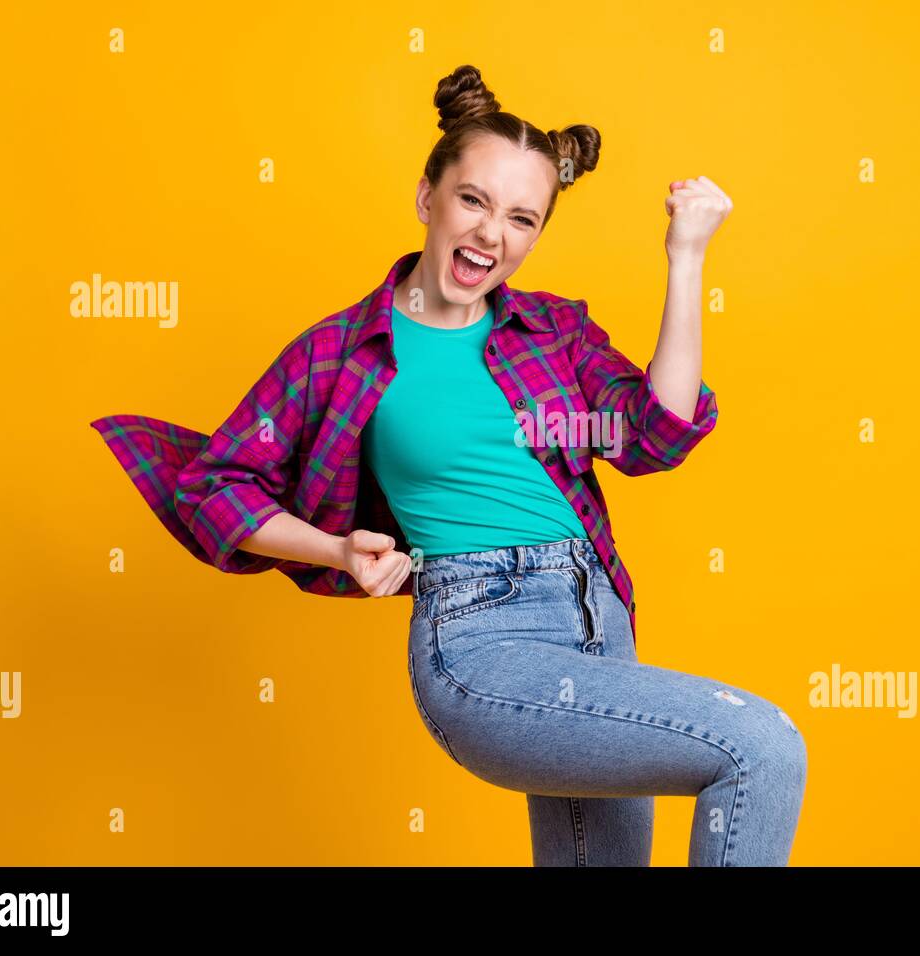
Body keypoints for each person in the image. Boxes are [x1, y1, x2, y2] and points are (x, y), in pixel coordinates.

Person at [90, 64, 805, 866]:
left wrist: (685, 259)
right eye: (474, 200)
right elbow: (215, 485)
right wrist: (335, 550)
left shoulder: (554, 332)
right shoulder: (340, 350)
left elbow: (654, 435)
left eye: (522, 218)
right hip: (481, 635)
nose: (492, 234)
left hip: (601, 626)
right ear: (428, 197)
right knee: (760, 746)